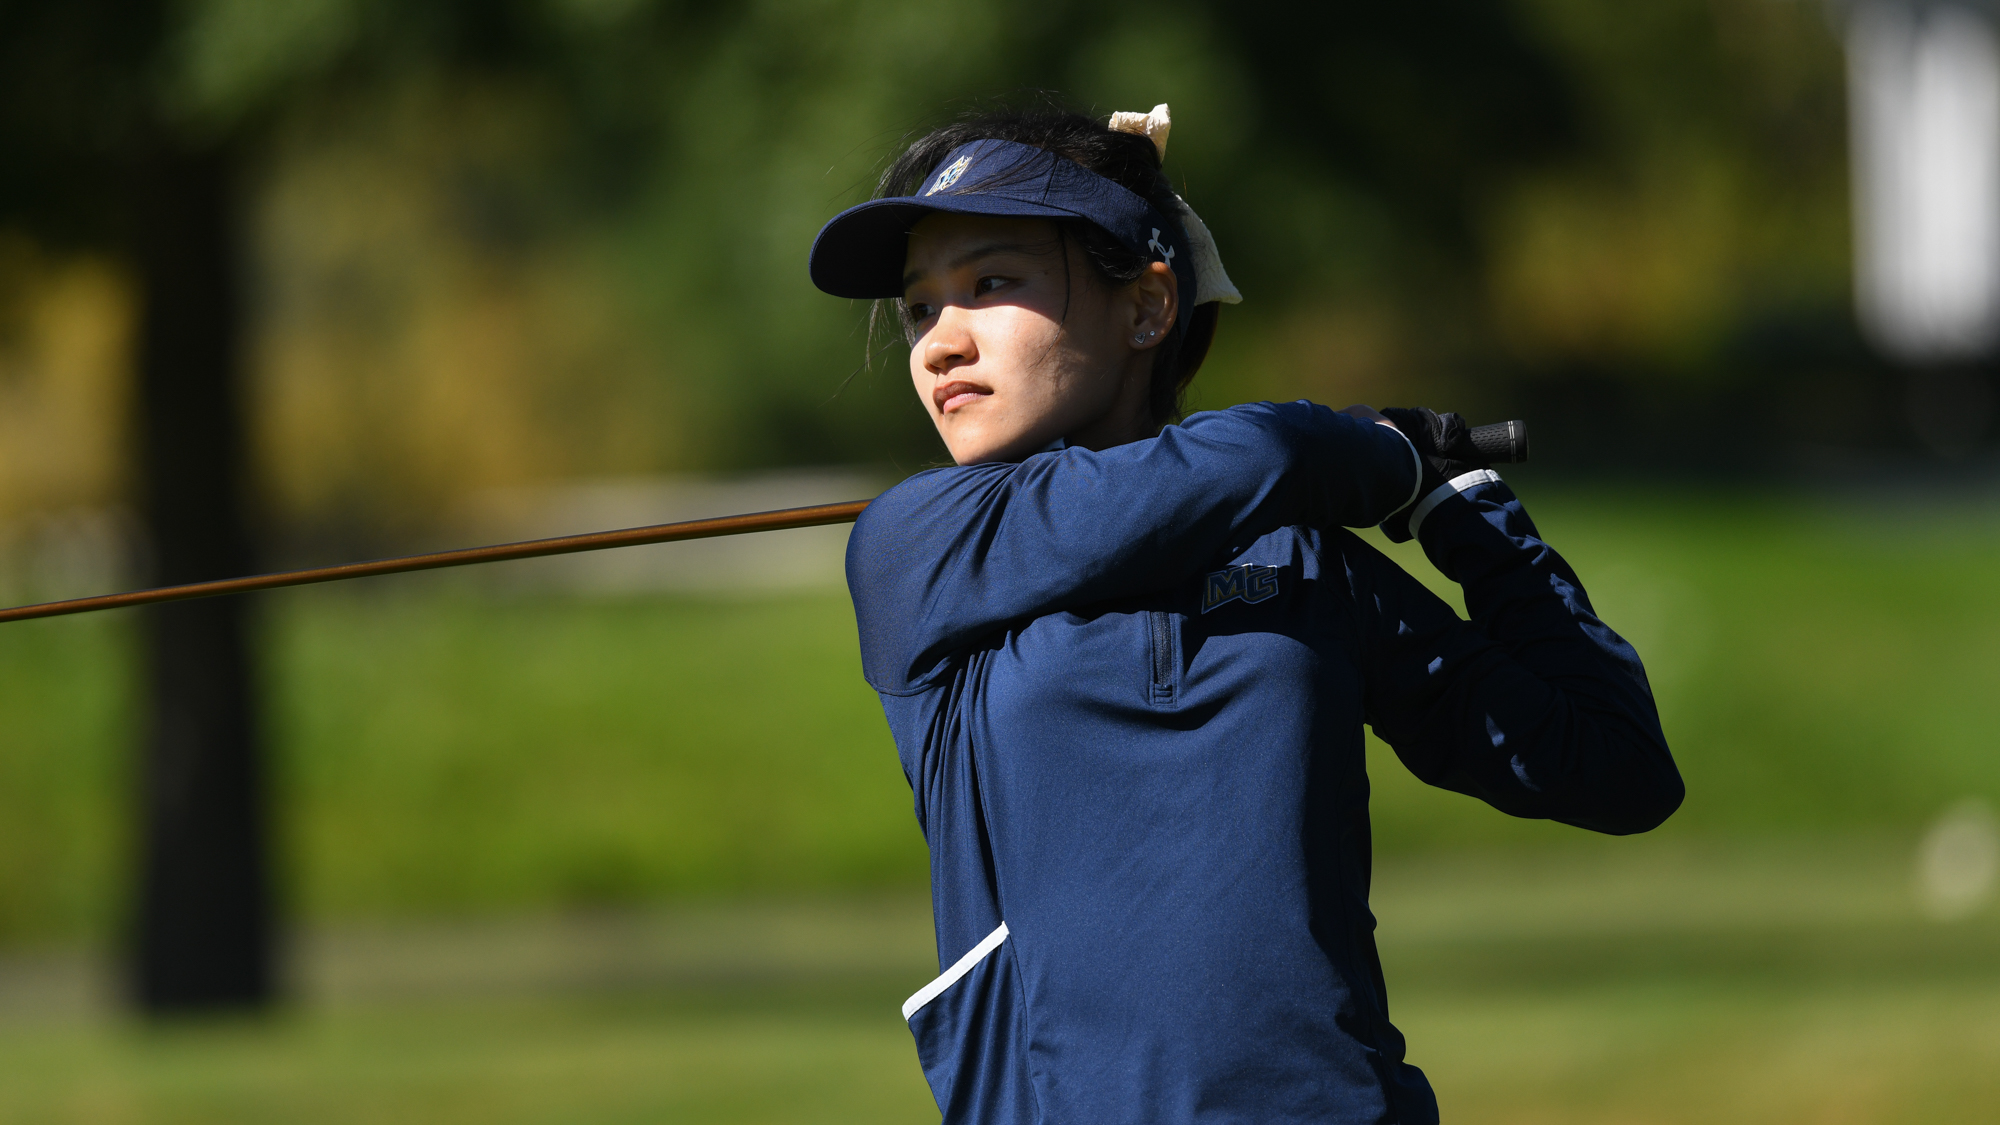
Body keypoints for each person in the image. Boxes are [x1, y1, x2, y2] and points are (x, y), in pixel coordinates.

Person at [808, 102, 1682, 1125]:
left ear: (1144, 309)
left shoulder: (1298, 562)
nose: (939, 344)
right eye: (918, 309)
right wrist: (1384, 458)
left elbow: (1613, 769)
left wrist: (1466, 514)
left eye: (991, 284)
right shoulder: (919, 547)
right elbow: (1265, 455)